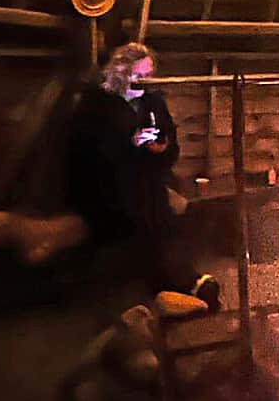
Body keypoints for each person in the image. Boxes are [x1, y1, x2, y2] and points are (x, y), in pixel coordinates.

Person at [65, 43, 219, 310]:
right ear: (121, 73)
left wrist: (162, 147)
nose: (145, 82)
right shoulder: (97, 104)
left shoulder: (153, 101)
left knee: (164, 214)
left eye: (149, 76)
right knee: (144, 215)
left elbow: (170, 142)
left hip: (147, 180)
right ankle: (173, 284)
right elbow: (85, 156)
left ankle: (185, 281)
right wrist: (130, 144)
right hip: (106, 185)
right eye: (139, 76)